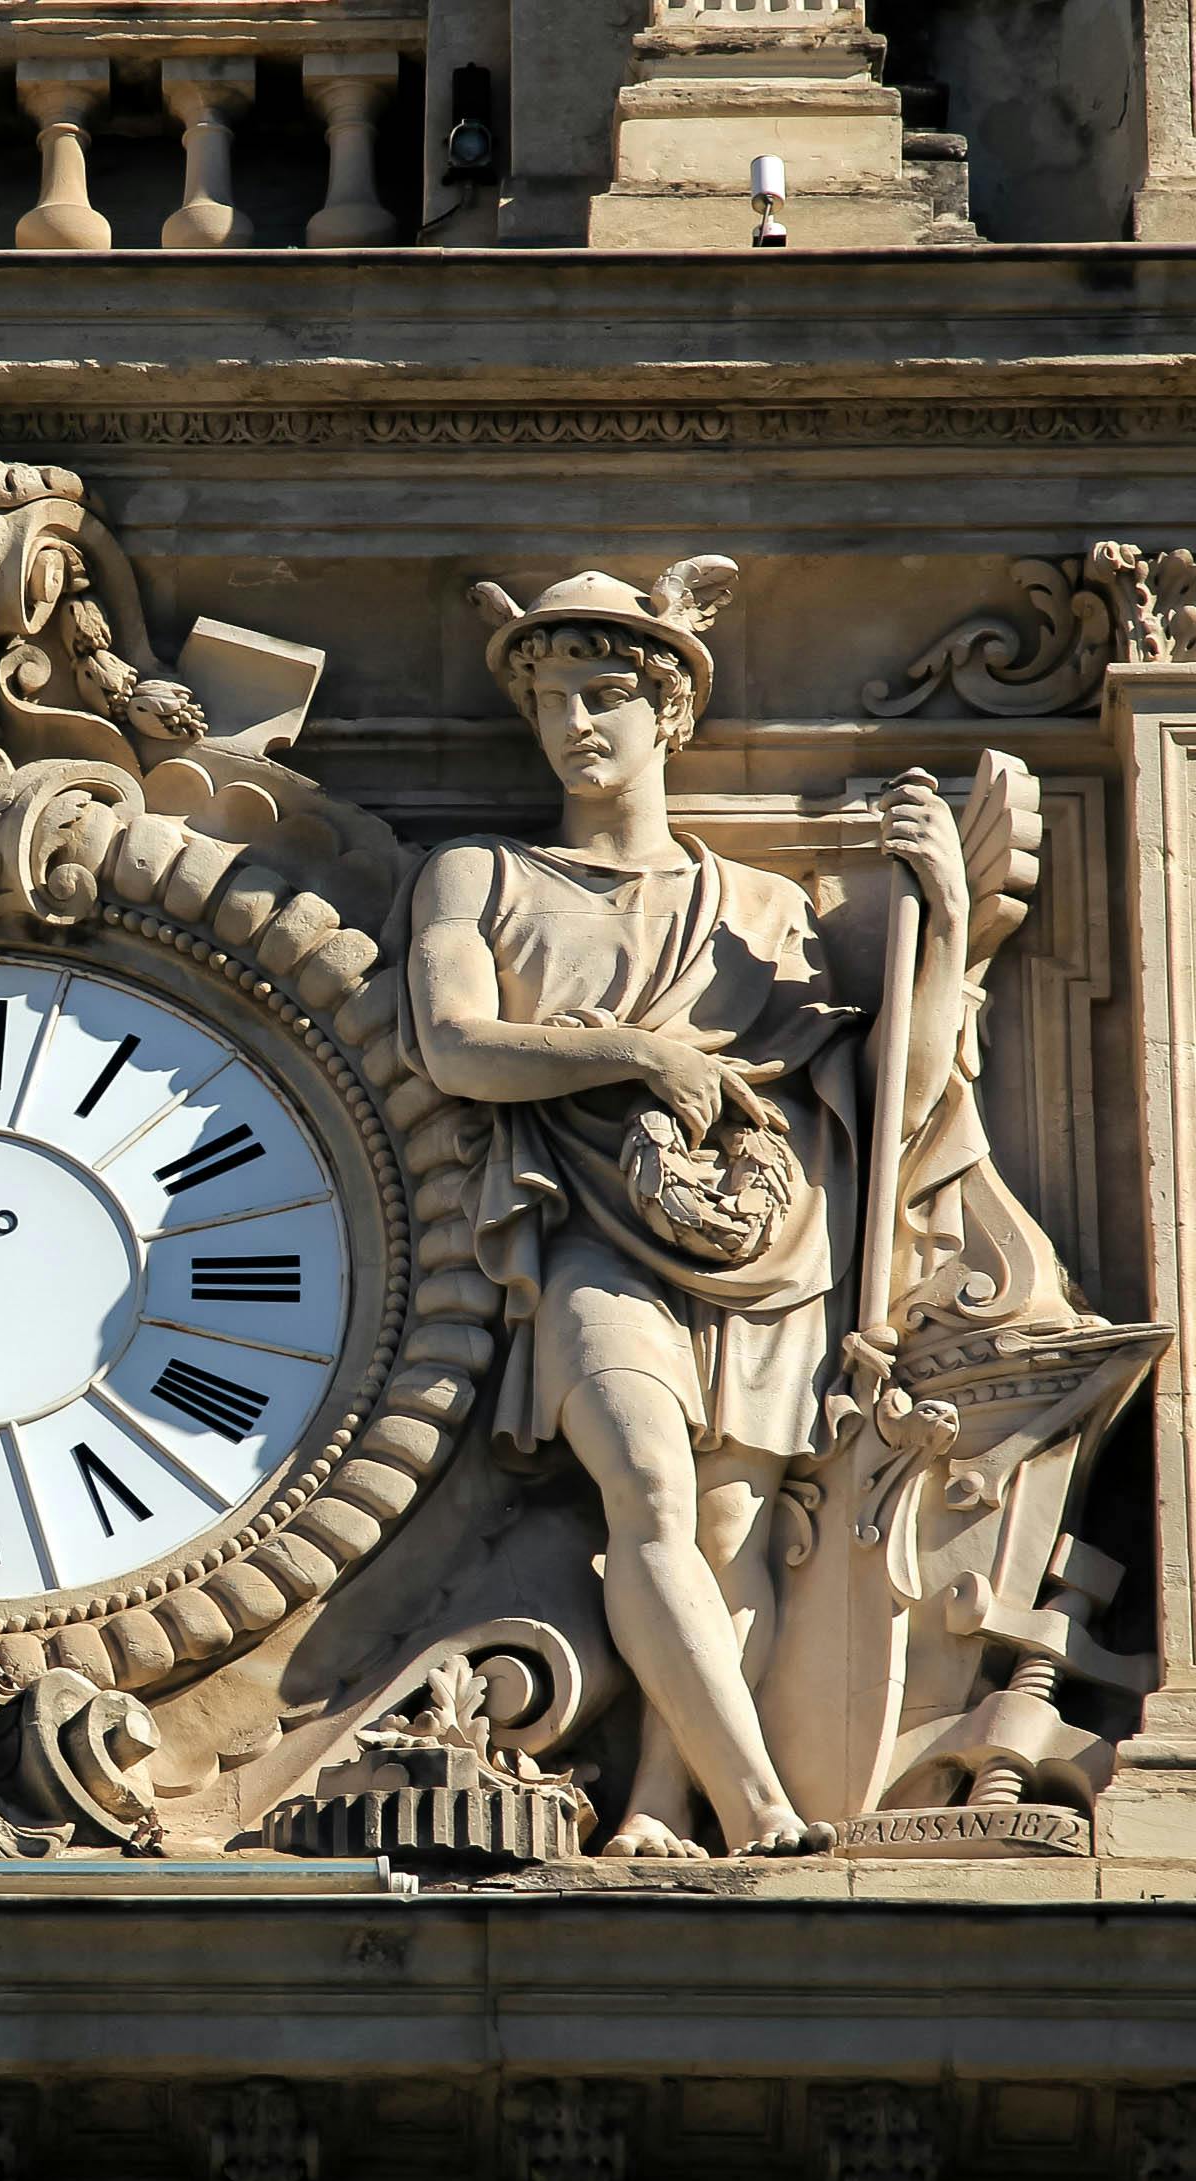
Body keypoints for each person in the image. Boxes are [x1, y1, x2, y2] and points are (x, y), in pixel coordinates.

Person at [401, 561, 967, 1857]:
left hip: (764, 1238)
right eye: (552, 701)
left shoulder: (760, 908)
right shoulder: (478, 877)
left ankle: (662, 1806)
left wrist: (943, 929)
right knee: (649, 1486)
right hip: (589, 1232)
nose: (578, 725)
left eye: (606, 694)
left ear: (671, 715)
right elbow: (456, 1044)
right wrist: (642, 1057)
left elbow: (894, 1097)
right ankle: (762, 1807)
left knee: (725, 1530)